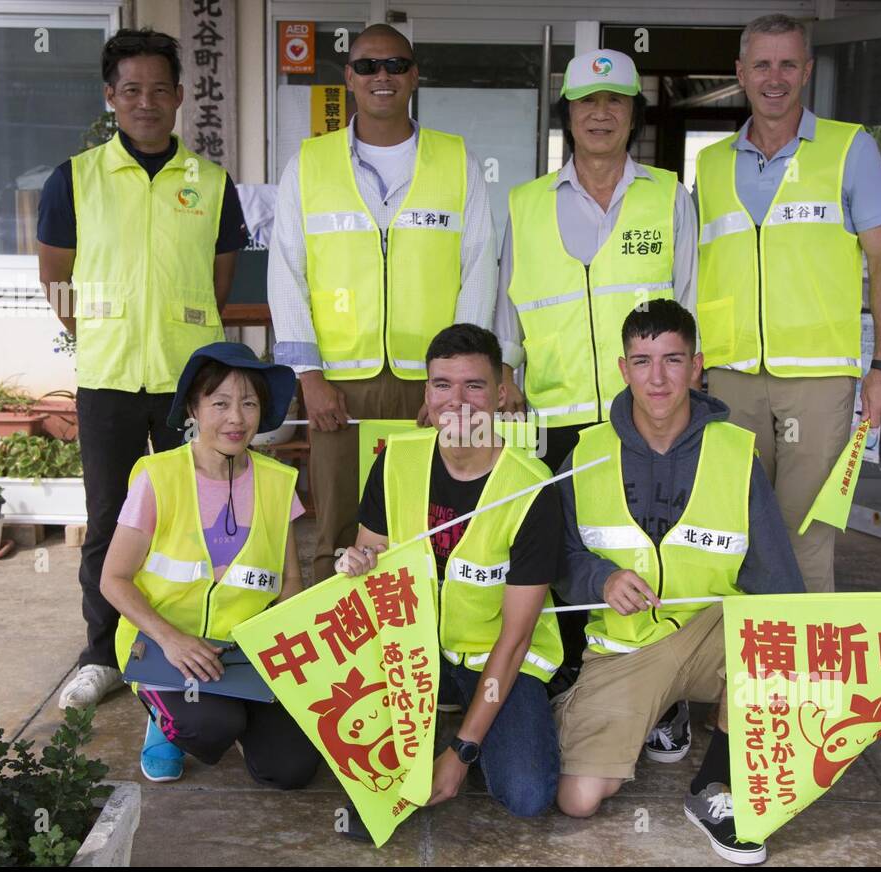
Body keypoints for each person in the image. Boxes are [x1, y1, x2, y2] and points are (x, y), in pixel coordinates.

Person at [38, 28, 248, 712]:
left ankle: (187, 640)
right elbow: (57, 280)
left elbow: (219, 286)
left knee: (197, 517)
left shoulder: (211, 184)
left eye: (161, 89)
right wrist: (102, 332)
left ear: (181, 97)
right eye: (132, 90)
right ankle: (101, 654)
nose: (147, 102)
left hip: (190, 388)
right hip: (107, 381)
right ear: (111, 97)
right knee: (109, 521)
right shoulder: (74, 178)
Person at [552, 300, 805, 864]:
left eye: (673, 359)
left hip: (714, 632)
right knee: (578, 799)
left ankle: (714, 787)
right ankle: (661, 710)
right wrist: (601, 578)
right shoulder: (586, 452)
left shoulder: (738, 453)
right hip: (627, 646)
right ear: (622, 370)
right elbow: (560, 558)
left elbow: (778, 582)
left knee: (770, 645)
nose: (658, 377)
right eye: (642, 361)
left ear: (697, 367)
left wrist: (788, 666)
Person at [268, 23, 497, 584]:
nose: (382, 77)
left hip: (432, 385)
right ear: (348, 77)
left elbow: (479, 267)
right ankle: (335, 655)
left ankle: (423, 649)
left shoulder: (456, 160)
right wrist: (309, 376)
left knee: (433, 519)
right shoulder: (310, 163)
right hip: (339, 387)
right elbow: (286, 272)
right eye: (368, 66)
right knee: (340, 528)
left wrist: (455, 386)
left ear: (414, 76)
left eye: (396, 65)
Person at [693, 13, 881, 595]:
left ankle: (803, 678)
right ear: (740, 73)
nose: (775, 77)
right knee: (728, 533)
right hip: (730, 378)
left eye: (788, 63)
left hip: (817, 381)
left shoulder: (849, 148)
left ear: (807, 71)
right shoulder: (710, 166)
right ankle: (736, 675)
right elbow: (696, 271)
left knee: (804, 536)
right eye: (762, 64)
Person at [337, 324, 562, 819]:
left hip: (497, 661)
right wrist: (357, 564)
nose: (456, 400)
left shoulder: (532, 489)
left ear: (501, 394)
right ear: (426, 393)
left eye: (474, 386)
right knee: (333, 740)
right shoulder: (396, 458)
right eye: (442, 385)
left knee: (527, 794)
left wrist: (461, 752)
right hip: (411, 650)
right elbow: (368, 556)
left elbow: (516, 638)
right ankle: (443, 715)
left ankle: (478, 724)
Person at [100, 343, 320, 788]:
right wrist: (172, 640)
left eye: (249, 403)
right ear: (193, 410)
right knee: (210, 725)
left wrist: (283, 660)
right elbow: (114, 579)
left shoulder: (279, 483)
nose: (236, 419)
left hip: (243, 656)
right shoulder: (158, 477)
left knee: (292, 770)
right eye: (219, 403)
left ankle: (235, 711)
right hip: (163, 648)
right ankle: (164, 718)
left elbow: (289, 585)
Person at [495, 48, 697, 473]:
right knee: (560, 532)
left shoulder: (669, 197)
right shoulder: (526, 203)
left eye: (614, 101)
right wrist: (503, 373)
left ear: (634, 114)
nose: (600, 114)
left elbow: (689, 300)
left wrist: (689, 385)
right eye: (587, 101)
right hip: (553, 413)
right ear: (568, 115)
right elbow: (507, 307)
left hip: (647, 408)